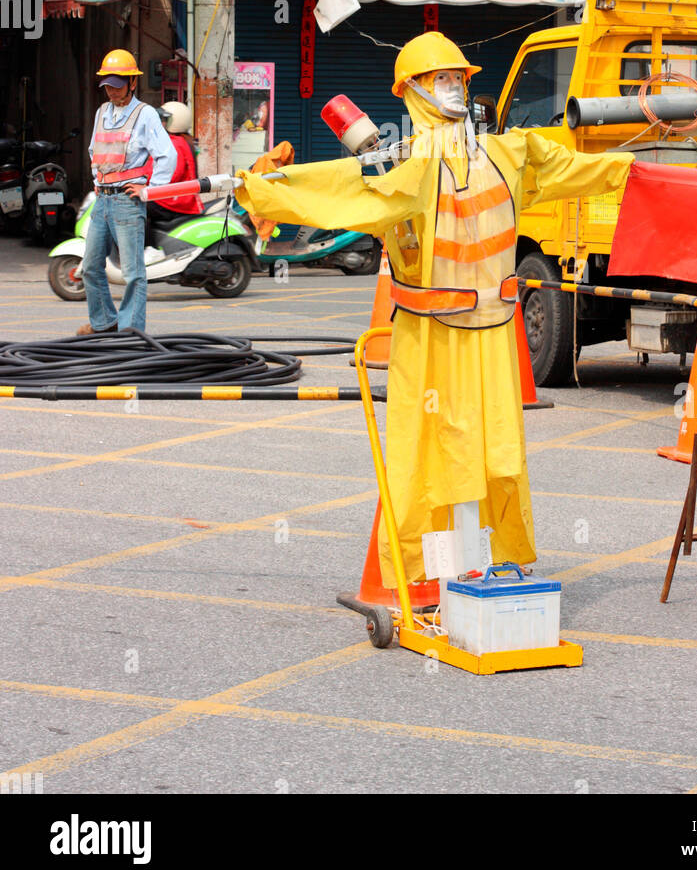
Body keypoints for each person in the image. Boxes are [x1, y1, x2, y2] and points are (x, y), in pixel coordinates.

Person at [235, 32, 635, 588]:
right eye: (440, 78)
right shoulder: (411, 168)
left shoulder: (506, 153)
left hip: (494, 331)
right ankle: (421, 572)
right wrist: (267, 188)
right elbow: (341, 190)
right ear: (414, 92)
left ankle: (500, 560)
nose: (452, 87)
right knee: (423, 450)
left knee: (497, 446)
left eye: (458, 77)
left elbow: (565, 169)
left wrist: (625, 168)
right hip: (429, 335)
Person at [77, 51, 176, 336]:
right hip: (103, 200)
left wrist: (151, 189)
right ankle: (104, 323)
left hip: (127, 202)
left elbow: (166, 155)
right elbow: (94, 150)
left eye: (117, 84)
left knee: (133, 273)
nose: (112, 90)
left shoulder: (145, 114)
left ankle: (130, 332)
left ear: (132, 82)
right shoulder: (101, 112)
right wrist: (97, 178)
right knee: (91, 267)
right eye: (107, 84)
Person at [151, 102, 203, 217]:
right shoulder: (181, 140)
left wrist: (145, 182)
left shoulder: (174, 143)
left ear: (173, 122)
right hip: (177, 198)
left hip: (174, 201)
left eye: (164, 119)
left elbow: (170, 176)